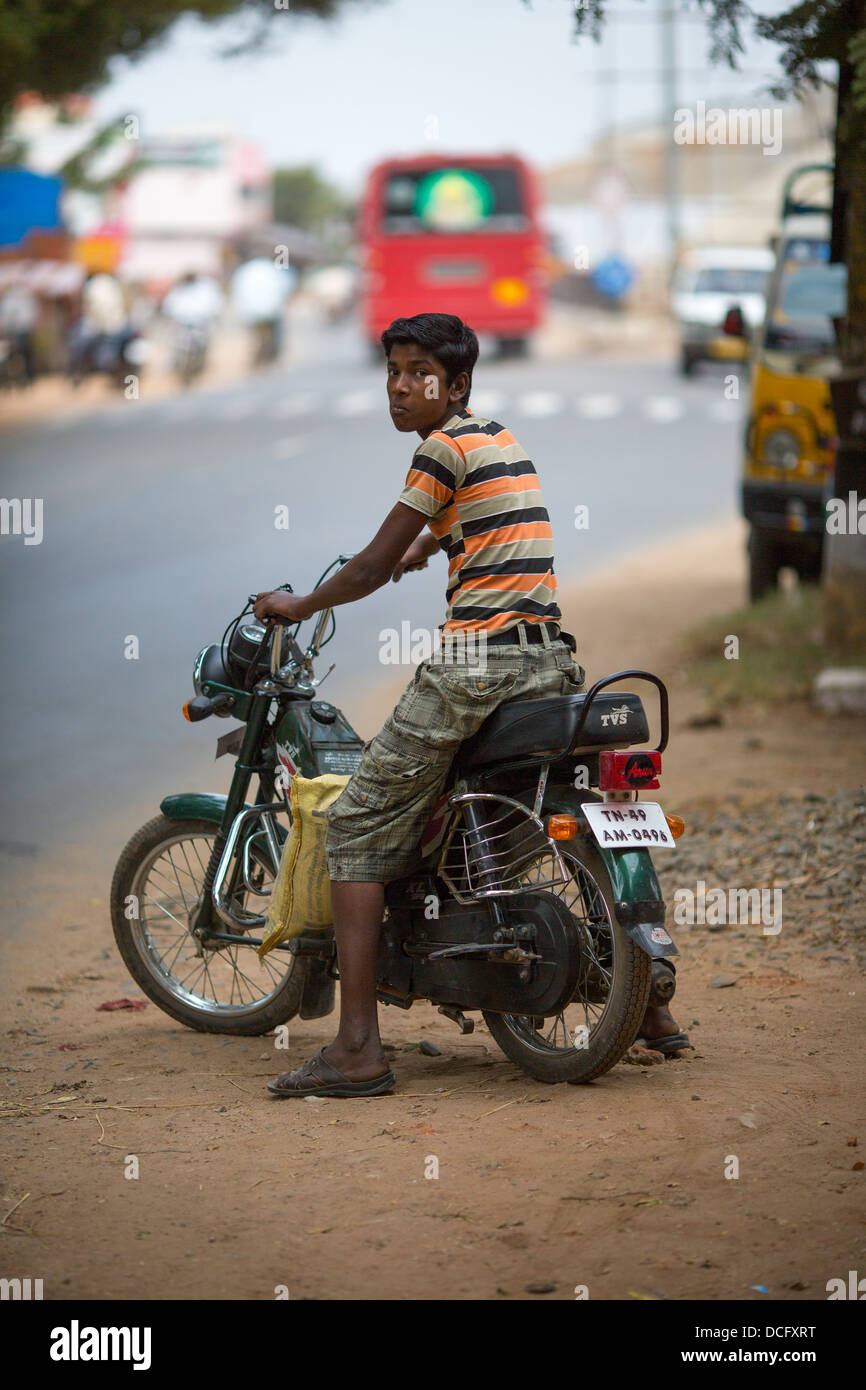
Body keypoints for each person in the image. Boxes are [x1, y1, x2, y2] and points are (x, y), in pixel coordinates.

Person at [254, 312, 686, 1097]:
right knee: (480, 803)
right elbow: (464, 531)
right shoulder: (495, 440)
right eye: (391, 369)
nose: (399, 385)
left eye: (418, 372)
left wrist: (303, 603)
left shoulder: (438, 449)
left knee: (353, 821)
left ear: (455, 385)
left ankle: (356, 1049)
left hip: (473, 667)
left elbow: (373, 562)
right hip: (550, 663)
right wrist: (432, 549)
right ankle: (646, 1006)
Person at [229, 256, 295, 366]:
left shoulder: (245, 271)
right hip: (270, 310)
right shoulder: (273, 270)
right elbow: (284, 288)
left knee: (257, 334)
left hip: (250, 311)